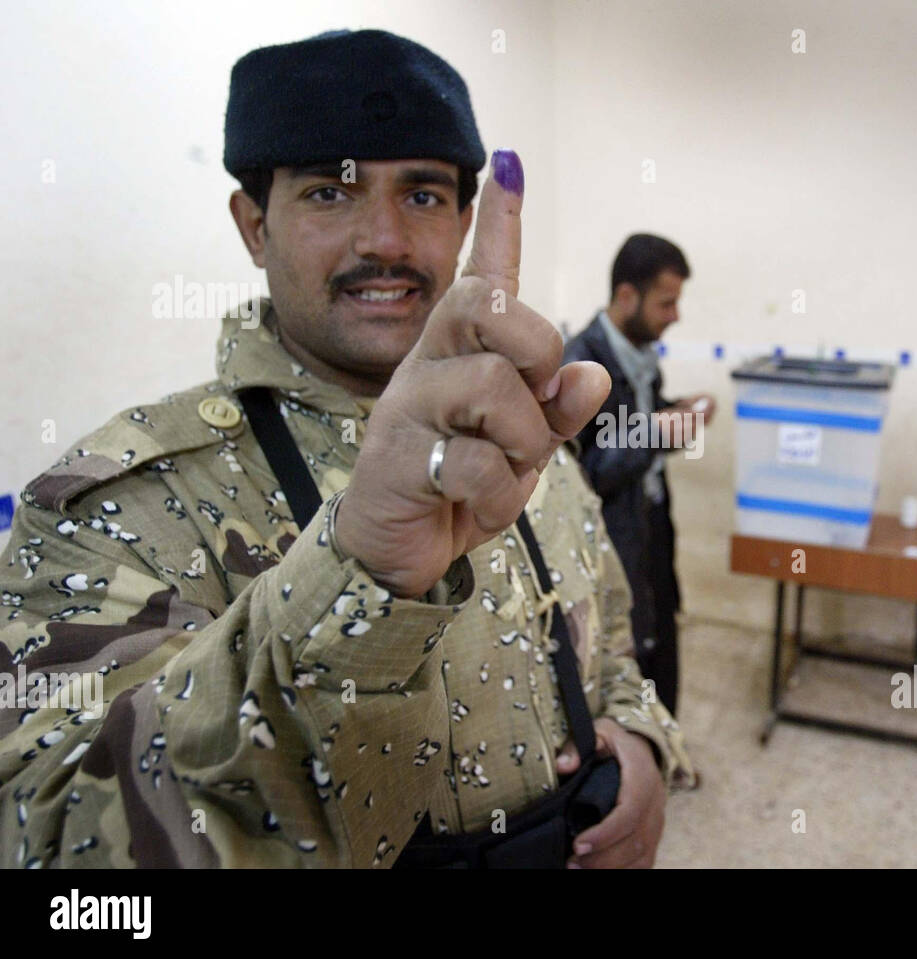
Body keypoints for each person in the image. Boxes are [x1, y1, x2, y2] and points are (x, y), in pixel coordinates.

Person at [0, 29, 694, 870]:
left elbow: (616, 632)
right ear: (254, 225)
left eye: (425, 197)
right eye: (331, 192)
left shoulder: (524, 434)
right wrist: (354, 578)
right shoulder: (121, 504)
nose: (387, 242)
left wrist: (645, 742)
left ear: (468, 222)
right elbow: (52, 845)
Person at [563, 235, 715, 717]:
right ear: (627, 296)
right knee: (623, 656)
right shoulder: (581, 365)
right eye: (666, 303)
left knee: (662, 637)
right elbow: (582, 473)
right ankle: (633, 770)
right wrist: (654, 431)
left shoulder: (641, 354)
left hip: (650, 527)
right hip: (611, 543)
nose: (675, 316)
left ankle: (665, 752)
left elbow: (634, 426)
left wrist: (679, 413)